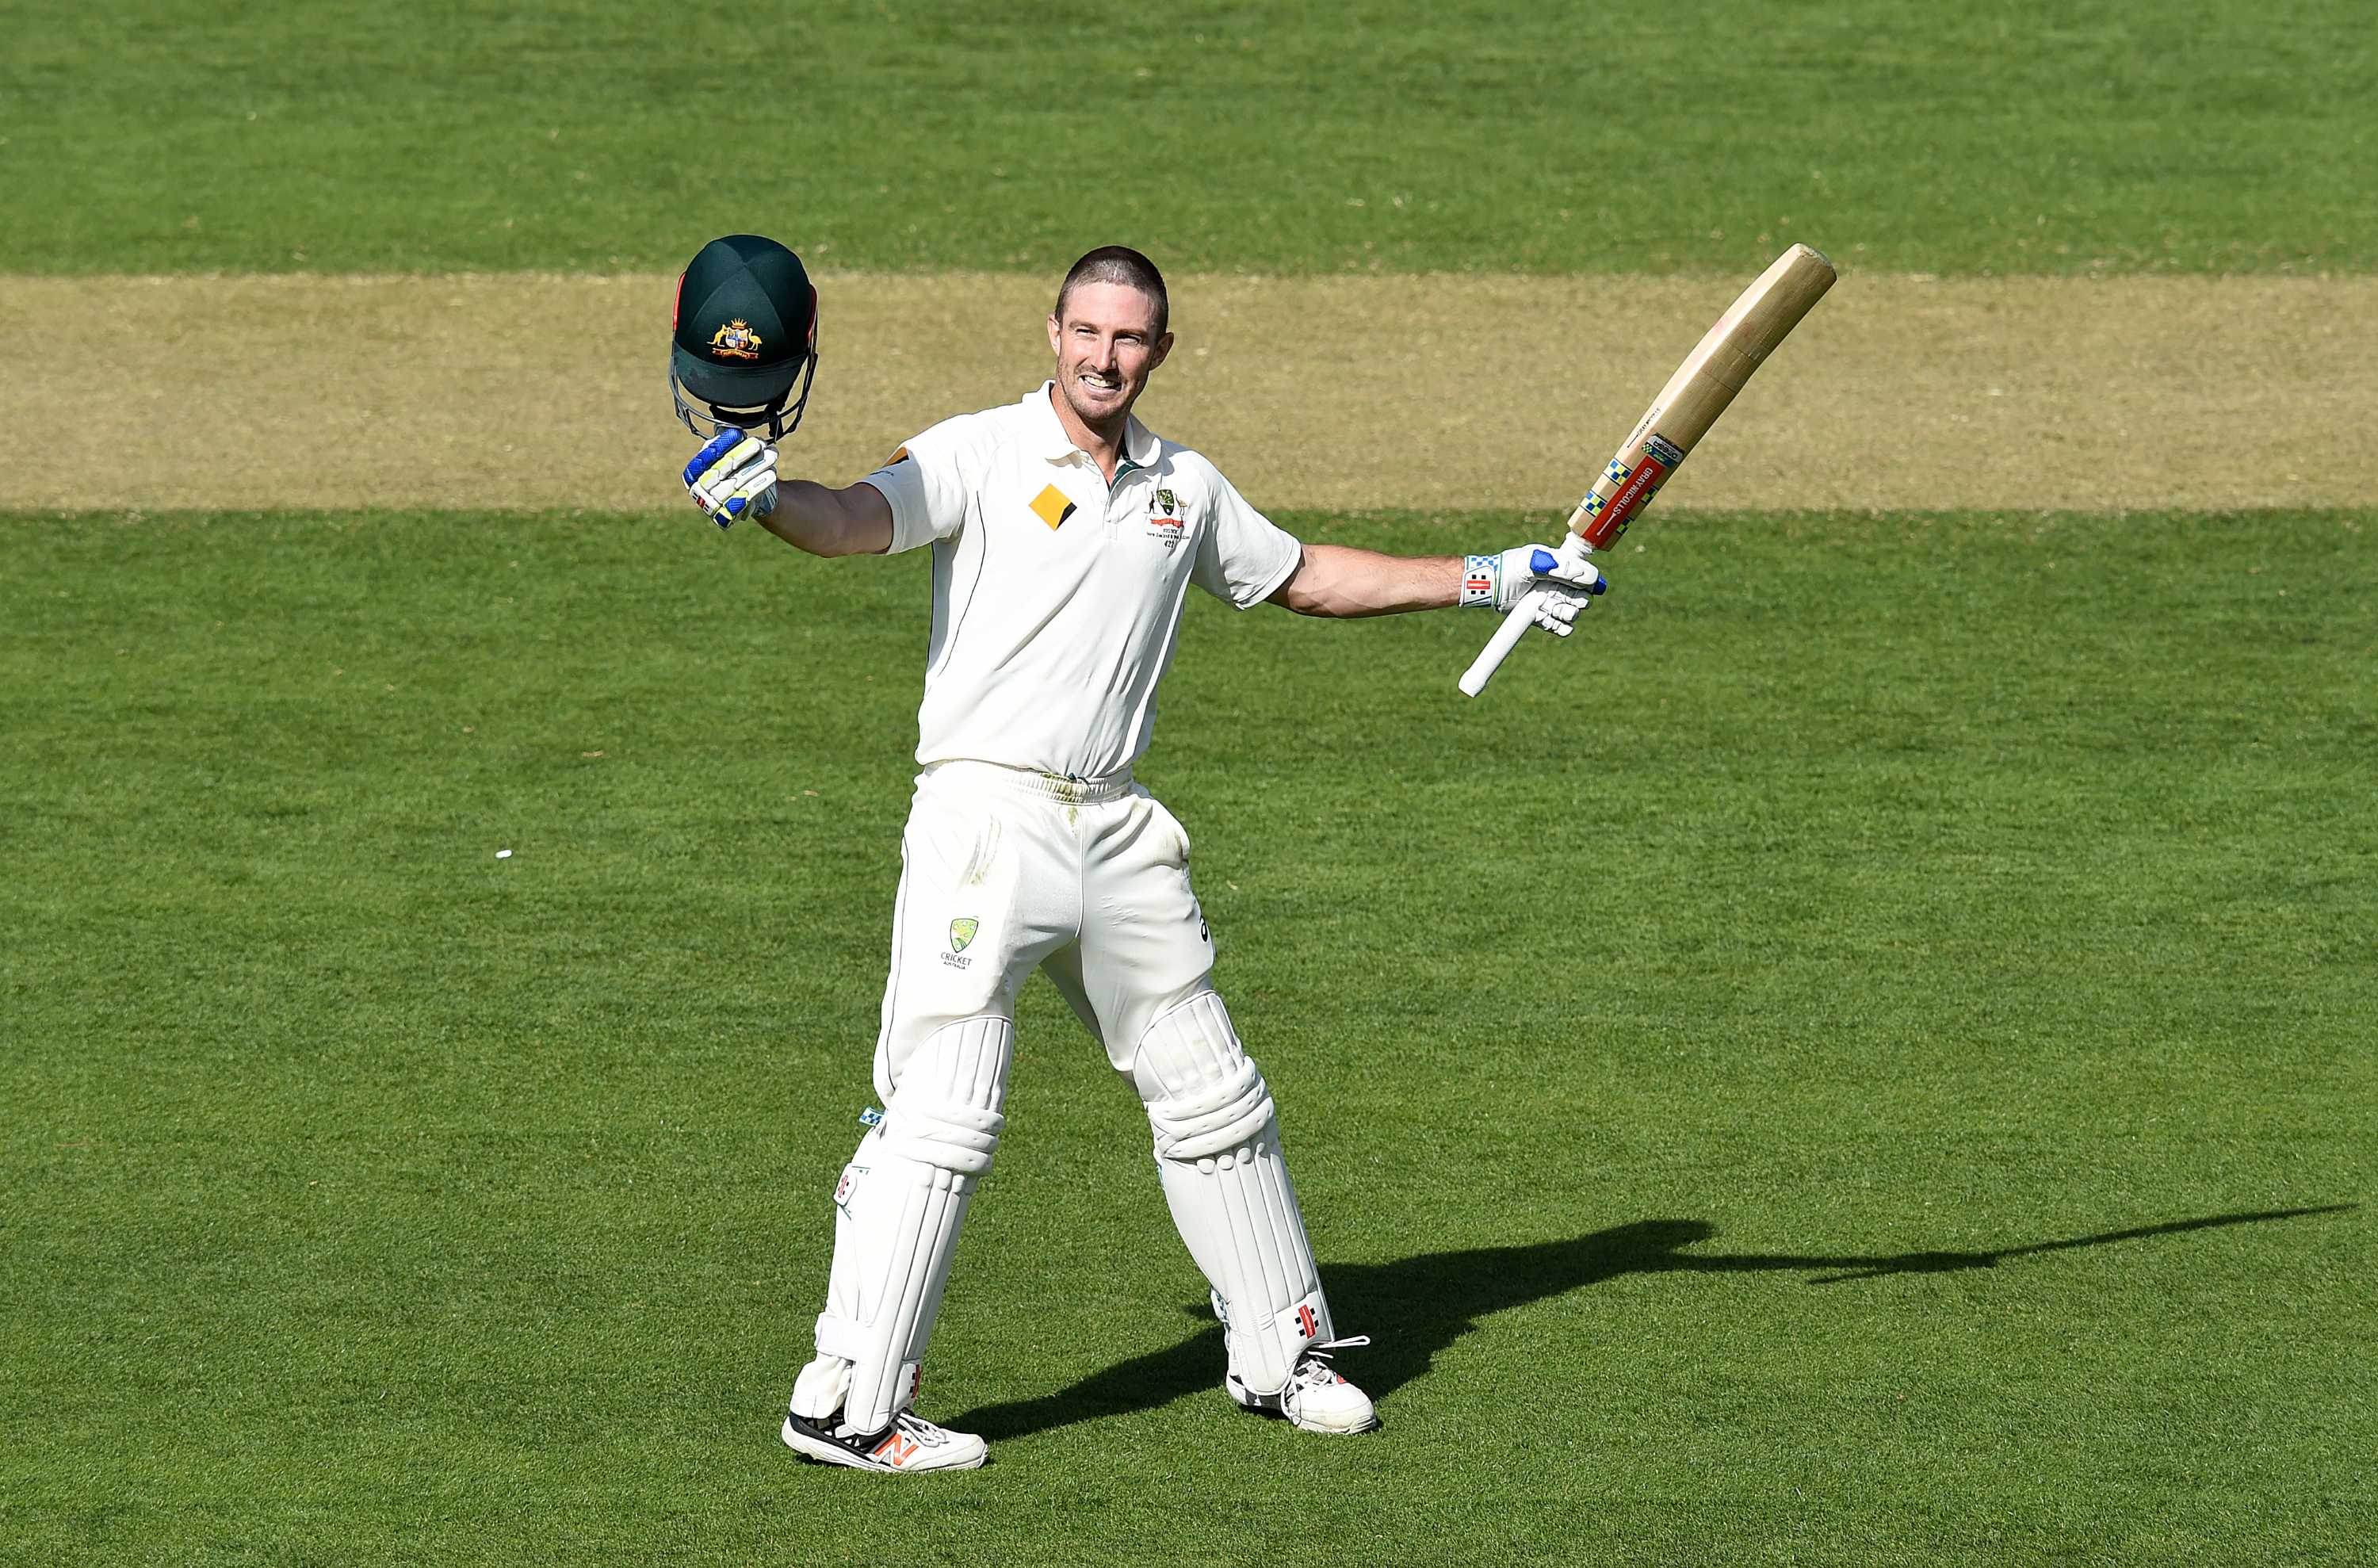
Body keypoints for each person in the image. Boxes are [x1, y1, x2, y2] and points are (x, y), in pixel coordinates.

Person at [669, 234, 1606, 1472]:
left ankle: (1285, 1354)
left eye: (1129, 338)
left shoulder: (1185, 487)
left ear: (1157, 350)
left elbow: (1308, 577)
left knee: (1213, 1089)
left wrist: (1492, 575)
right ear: (1052, 336)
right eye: (1086, 332)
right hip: (984, 821)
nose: (1104, 356)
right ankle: (845, 1404)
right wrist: (774, 497)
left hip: (1113, 825)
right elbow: (854, 519)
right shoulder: (978, 452)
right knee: (942, 1114)